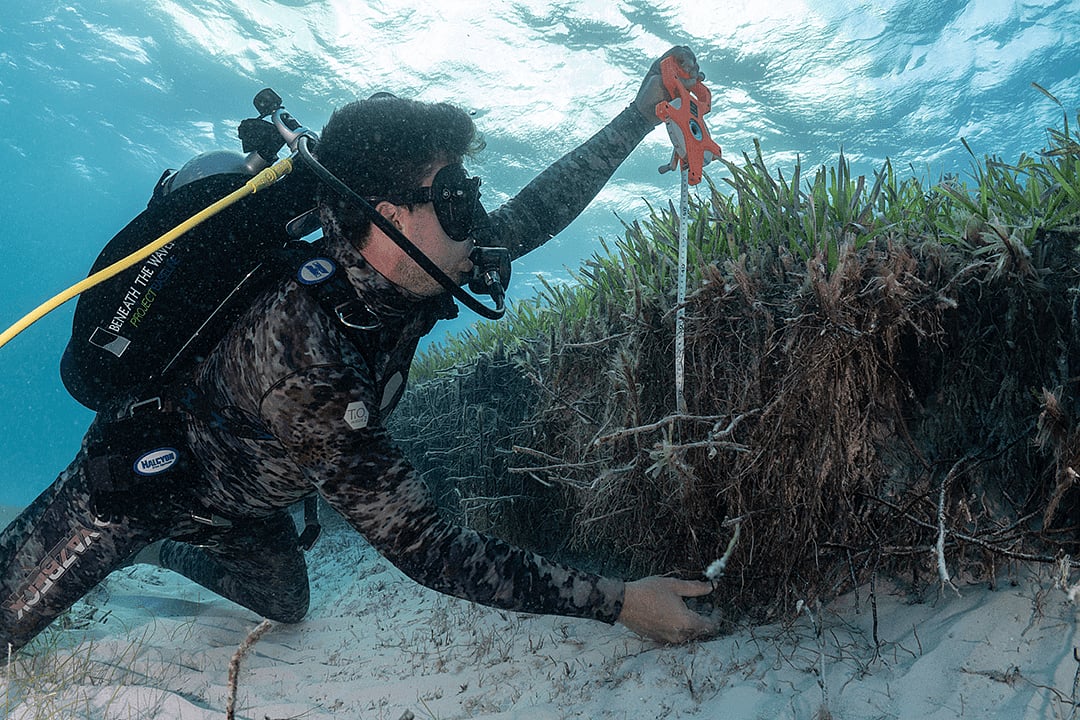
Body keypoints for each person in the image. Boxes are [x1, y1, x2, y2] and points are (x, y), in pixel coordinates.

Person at [0, 46, 716, 654]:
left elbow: (532, 215)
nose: (476, 217)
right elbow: (430, 547)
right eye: (457, 196)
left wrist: (639, 111)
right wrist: (623, 602)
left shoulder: (417, 263)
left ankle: (166, 556)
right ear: (389, 218)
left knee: (286, 602)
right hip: (135, 490)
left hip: (248, 507)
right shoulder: (302, 358)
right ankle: (139, 541)